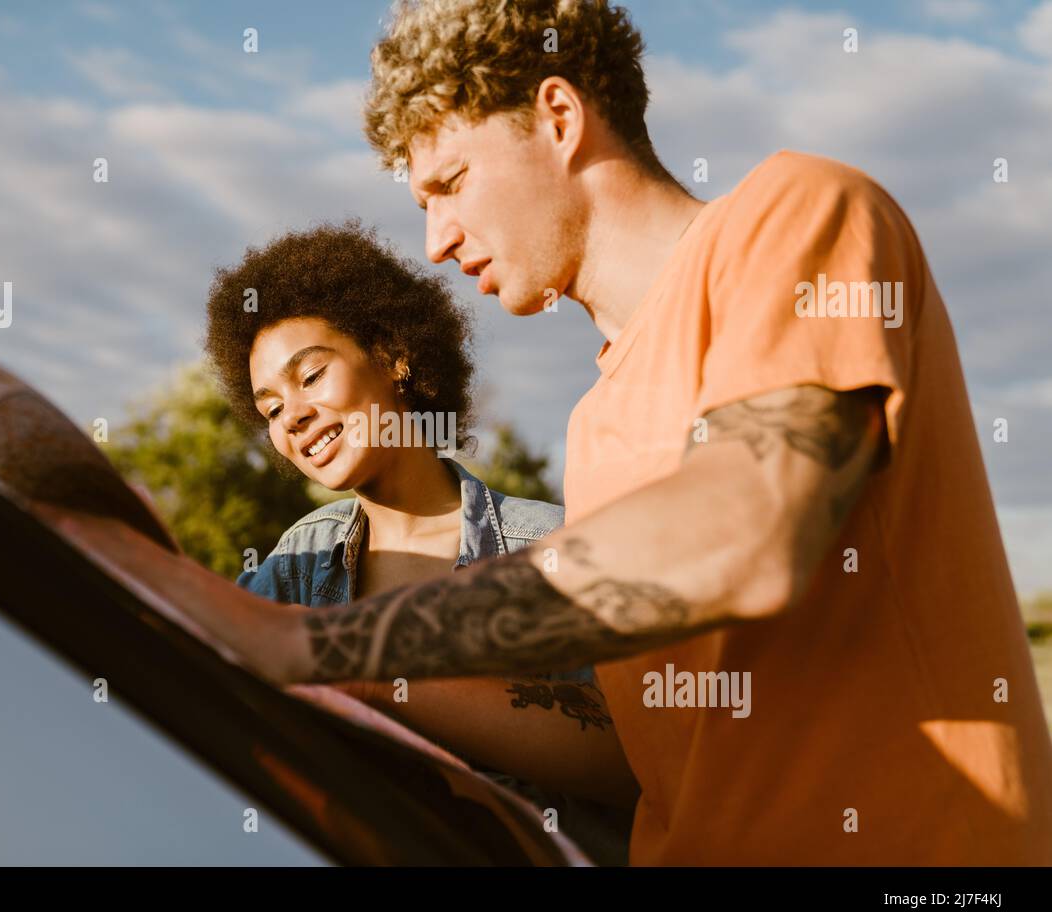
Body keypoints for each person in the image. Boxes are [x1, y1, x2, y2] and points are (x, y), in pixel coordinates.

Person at [51, 0, 1052, 865]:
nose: (435, 241)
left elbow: (745, 531)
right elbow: (633, 749)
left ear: (558, 115)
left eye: (446, 183)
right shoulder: (595, 420)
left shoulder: (797, 213)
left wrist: (294, 640)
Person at [203, 221, 632, 863]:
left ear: (393, 355)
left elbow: (630, 760)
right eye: (269, 409)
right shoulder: (298, 560)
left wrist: (367, 674)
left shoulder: (544, 545)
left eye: (311, 377)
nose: (290, 416)